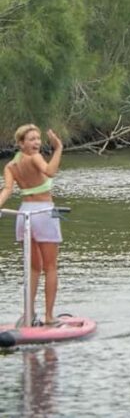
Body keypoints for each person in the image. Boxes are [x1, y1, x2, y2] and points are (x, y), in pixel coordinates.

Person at [0, 125, 63, 326]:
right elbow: (51, 171)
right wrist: (59, 148)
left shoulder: (10, 166)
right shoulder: (35, 158)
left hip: (24, 213)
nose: (36, 142)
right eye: (31, 139)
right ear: (21, 143)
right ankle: (49, 316)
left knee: (34, 268)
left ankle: (29, 313)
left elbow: (7, 190)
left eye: (38, 138)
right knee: (51, 267)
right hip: (43, 212)